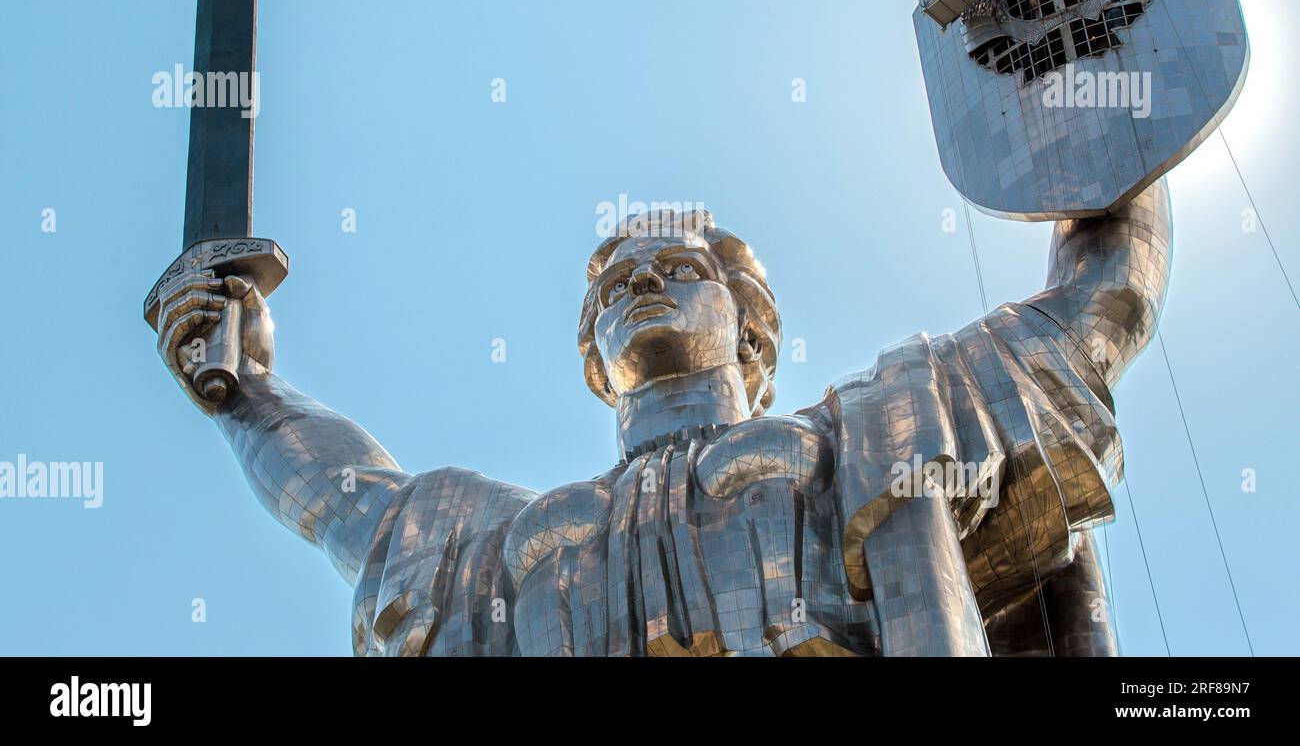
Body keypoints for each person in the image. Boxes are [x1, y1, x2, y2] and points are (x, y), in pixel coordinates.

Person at [153, 177, 1171, 657]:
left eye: (681, 270)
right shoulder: (500, 536)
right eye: (617, 286)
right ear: (595, 358)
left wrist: (1103, 122)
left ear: (753, 340)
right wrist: (247, 387)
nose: (641, 285)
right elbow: (348, 503)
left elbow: (1096, 309)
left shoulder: (884, 421)